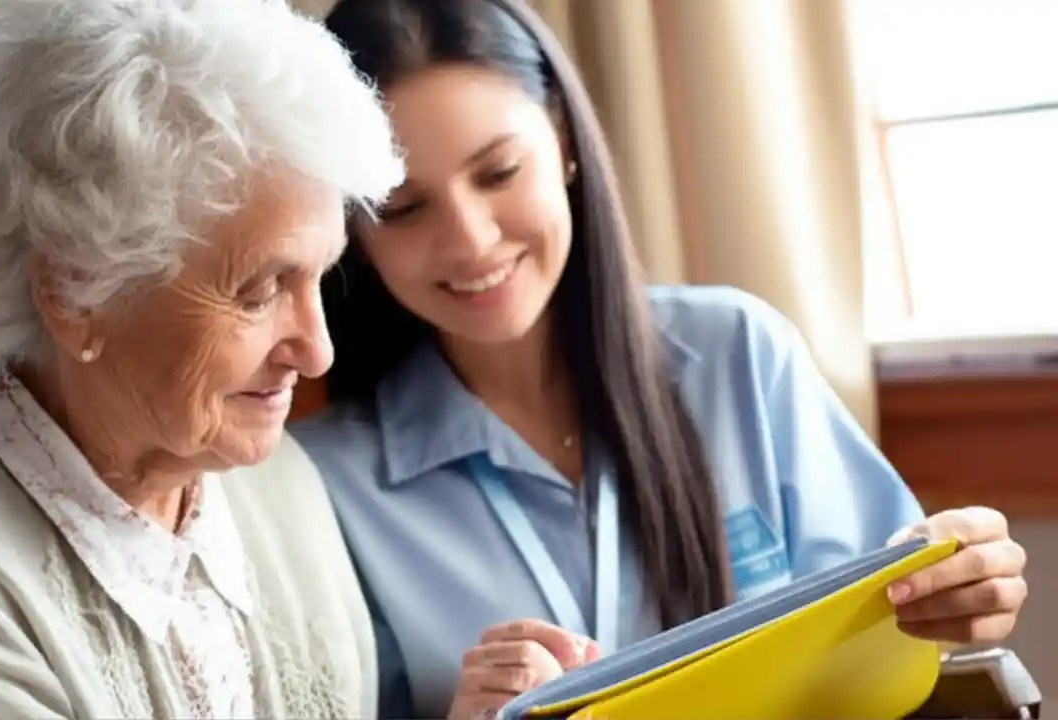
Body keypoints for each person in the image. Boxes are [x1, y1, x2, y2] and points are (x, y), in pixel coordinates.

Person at [289, 0, 1029, 718]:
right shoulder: (326, 485)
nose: (472, 240)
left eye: (499, 173)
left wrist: (962, 591)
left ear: (565, 142)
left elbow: (900, 624)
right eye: (406, 208)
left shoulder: (738, 353)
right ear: (351, 226)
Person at [0, 0, 403, 716]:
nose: (317, 351)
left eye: (322, 276)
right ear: (76, 292)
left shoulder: (281, 487)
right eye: (260, 292)